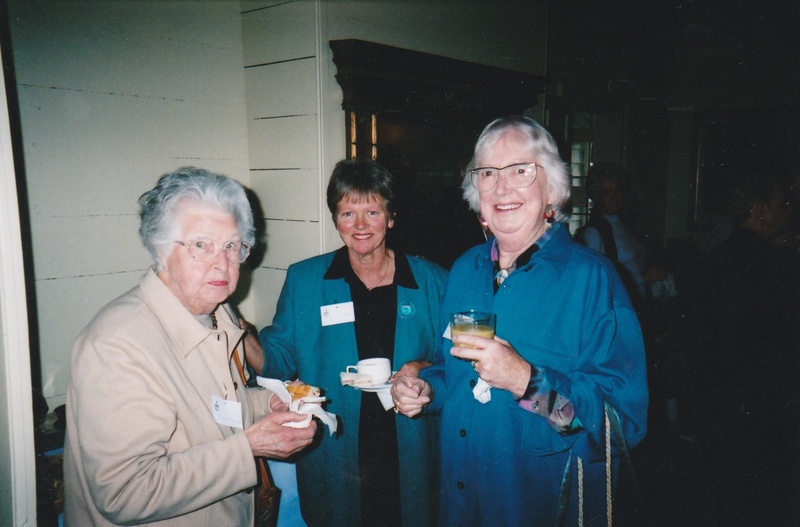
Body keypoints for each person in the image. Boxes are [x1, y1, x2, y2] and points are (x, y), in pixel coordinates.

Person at [392, 116, 648, 526]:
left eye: (520, 171)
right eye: (488, 173)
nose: (502, 186)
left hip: (537, 506)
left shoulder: (592, 280)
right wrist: (426, 388)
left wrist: (527, 382)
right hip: (461, 502)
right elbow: (456, 376)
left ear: (554, 188)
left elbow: (621, 426)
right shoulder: (463, 271)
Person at [63, 167, 317, 527]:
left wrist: (267, 402)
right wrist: (249, 448)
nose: (222, 261)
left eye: (232, 245)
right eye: (201, 245)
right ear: (161, 249)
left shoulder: (214, 314)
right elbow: (124, 493)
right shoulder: (119, 344)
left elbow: (212, 410)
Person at [246, 159, 447, 527]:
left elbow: (452, 363)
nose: (360, 226)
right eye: (347, 213)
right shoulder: (306, 281)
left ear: (391, 217)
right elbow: (277, 360)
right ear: (335, 219)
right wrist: (239, 329)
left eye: (372, 211)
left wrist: (420, 368)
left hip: (410, 448)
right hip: (337, 454)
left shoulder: (432, 281)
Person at [693, 175, 800, 526]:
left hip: (722, 384)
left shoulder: (723, 251)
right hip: (758, 387)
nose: (790, 210)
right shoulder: (770, 258)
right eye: (782, 204)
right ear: (758, 211)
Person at [574, 162, 669, 307]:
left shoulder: (628, 224)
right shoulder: (594, 233)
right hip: (619, 307)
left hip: (641, 305)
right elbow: (597, 280)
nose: (614, 196)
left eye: (617, 189)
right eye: (607, 191)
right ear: (596, 195)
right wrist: (643, 278)